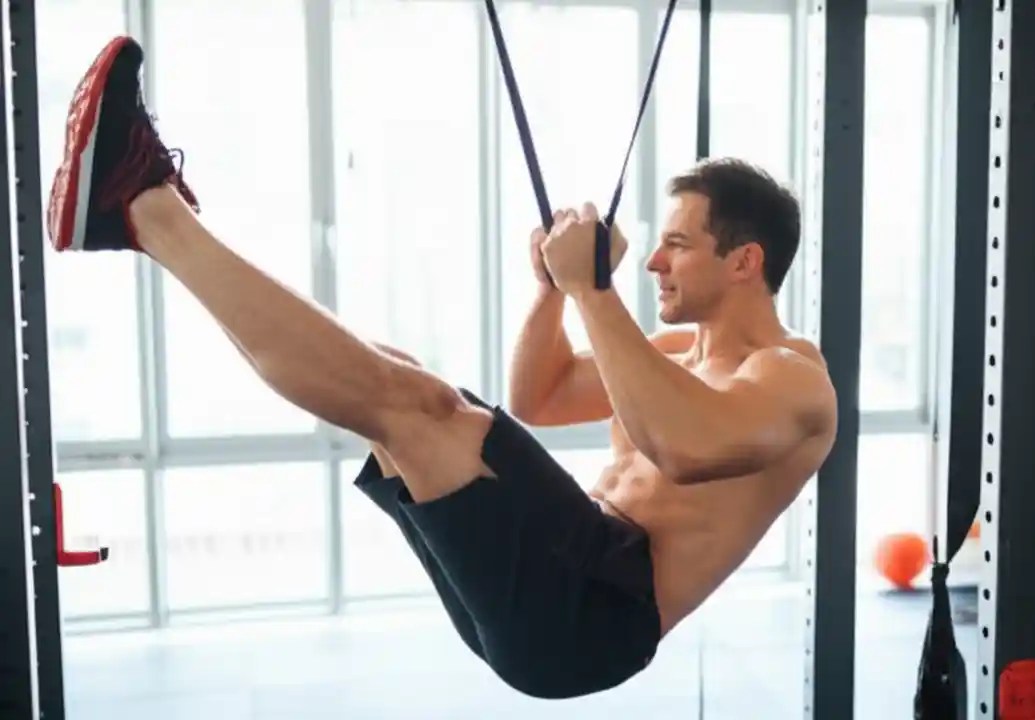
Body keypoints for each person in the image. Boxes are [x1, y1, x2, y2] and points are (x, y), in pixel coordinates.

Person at [47, 36, 839, 699]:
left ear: (745, 262)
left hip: (596, 614)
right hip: (564, 576)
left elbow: (685, 450)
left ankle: (145, 210)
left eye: (680, 245)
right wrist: (550, 291)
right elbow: (540, 394)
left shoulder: (794, 382)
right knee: (397, 381)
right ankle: (145, 220)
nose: (656, 261)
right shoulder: (674, 357)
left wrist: (591, 290)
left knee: (419, 407)